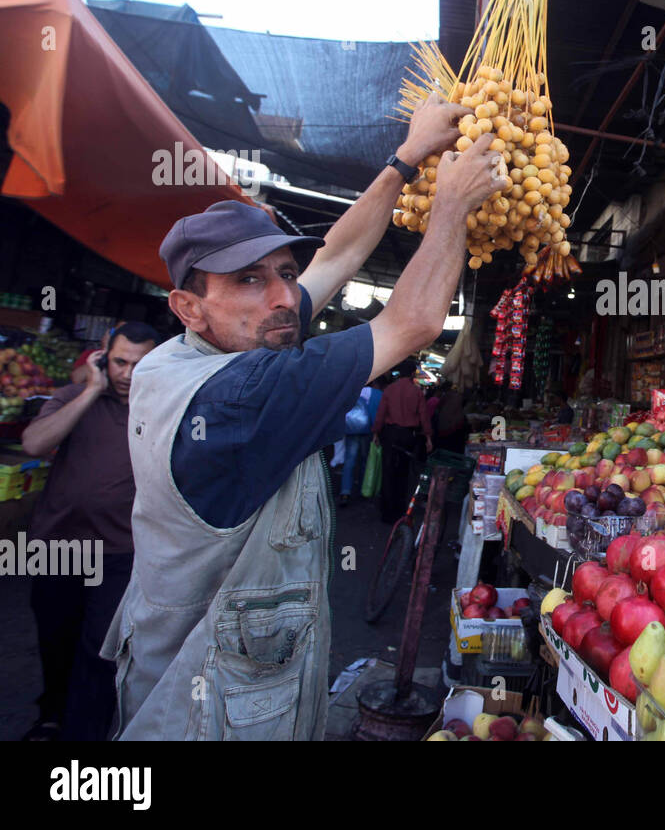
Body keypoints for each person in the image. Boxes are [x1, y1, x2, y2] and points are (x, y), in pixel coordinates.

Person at [99, 95, 500, 740]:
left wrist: (405, 158)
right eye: (250, 280)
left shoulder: (194, 350)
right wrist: (451, 204)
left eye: (284, 273)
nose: (286, 296)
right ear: (187, 306)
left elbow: (337, 257)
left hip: (190, 673)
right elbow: (415, 322)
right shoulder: (242, 394)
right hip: (207, 715)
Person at [20, 321, 159, 741]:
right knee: (55, 637)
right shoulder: (72, 397)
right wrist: (89, 391)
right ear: (102, 356)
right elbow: (34, 445)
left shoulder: (158, 406)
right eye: (119, 362)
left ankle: (82, 735)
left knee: (100, 648)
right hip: (58, 547)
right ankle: (52, 716)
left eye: (139, 364)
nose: (127, 374)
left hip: (120, 552)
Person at [372, 361, 433, 522]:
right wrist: (428, 437)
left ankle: (386, 512)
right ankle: (399, 511)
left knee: (388, 472)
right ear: (413, 373)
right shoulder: (417, 392)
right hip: (408, 437)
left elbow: (381, 414)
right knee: (403, 473)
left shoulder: (389, 390)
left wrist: (376, 433)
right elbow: (424, 417)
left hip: (390, 435)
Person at [338, 378, 382, 507]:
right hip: (367, 431)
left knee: (349, 460)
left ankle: (345, 492)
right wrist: (376, 433)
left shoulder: (352, 391)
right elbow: (377, 415)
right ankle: (363, 489)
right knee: (365, 460)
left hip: (351, 429)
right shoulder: (377, 394)